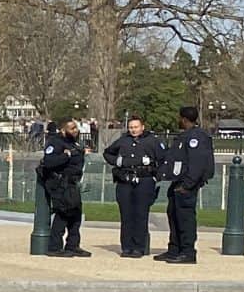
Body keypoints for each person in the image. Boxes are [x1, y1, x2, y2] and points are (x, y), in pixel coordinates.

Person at [104, 116, 166, 257]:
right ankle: (126, 247)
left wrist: (156, 176)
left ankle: (139, 247)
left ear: (142, 127)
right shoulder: (123, 140)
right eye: (131, 127)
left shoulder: (152, 141)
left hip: (144, 180)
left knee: (140, 215)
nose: (133, 130)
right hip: (125, 180)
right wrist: (117, 161)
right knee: (126, 215)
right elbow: (107, 153)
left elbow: (164, 159)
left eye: (136, 127)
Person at [160, 106, 214, 265]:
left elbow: (197, 163)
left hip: (186, 184)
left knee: (185, 219)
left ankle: (188, 251)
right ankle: (174, 248)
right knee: (173, 215)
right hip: (178, 182)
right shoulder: (185, 136)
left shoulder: (196, 137)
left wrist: (187, 185)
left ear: (184, 119)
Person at [38, 119, 89, 256]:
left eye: (76, 128)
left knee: (76, 214)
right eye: (72, 128)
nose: (75, 130)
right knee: (63, 213)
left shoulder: (74, 143)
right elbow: (49, 162)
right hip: (60, 183)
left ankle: (72, 245)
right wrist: (65, 155)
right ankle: (54, 247)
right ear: (63, 130)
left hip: (72, 183)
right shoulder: (56, 142)